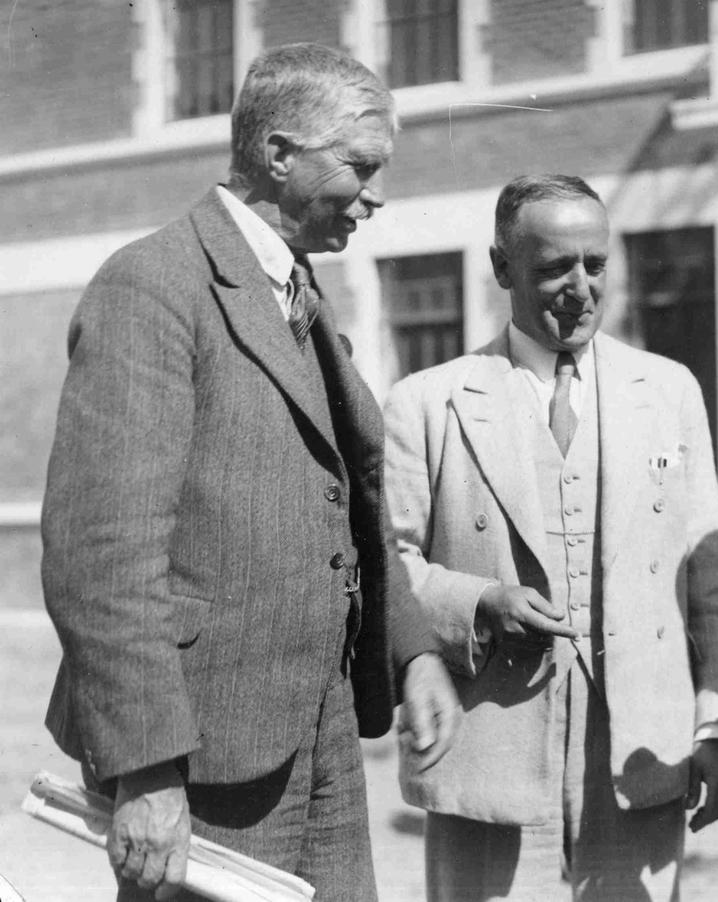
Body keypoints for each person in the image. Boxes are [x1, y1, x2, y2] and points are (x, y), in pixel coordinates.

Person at [41, 42, 460, 902]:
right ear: (277, 154)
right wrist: (147, 770)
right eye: (360, 167)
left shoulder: (298, 291)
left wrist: (413, 652)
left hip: (322, 734)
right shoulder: (151, 287)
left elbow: (349, 501)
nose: (377, 194)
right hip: (203, 755)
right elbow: (103, 554)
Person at [383, 174, 718, 900]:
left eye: (596, 264)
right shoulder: (428, 401)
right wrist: (479, 601)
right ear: (501, 268)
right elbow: (392, 563)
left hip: (639, 745)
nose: (580, 288)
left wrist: (716, 727)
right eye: (553, 268)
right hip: (490, 740)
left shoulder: (669, 390)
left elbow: (702, 568)